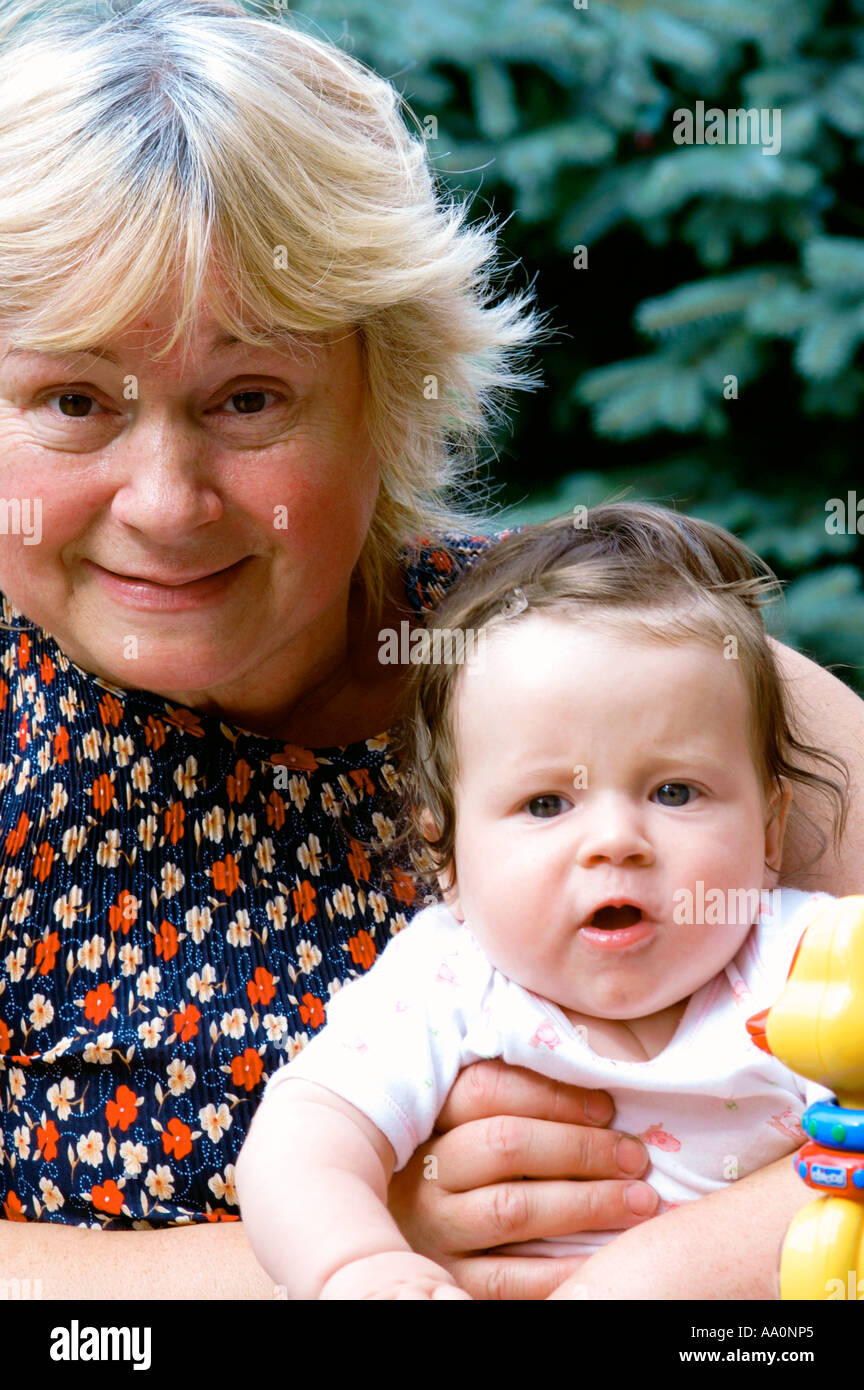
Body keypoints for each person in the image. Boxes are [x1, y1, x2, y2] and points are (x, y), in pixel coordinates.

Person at [1, 0, 863, 1302]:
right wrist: (359, 1242)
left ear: (389, 388)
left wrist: (689, 1255)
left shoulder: (609, 665)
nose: (167, 502)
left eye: (249, 397)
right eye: (73, 400)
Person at [236, 504, 852, 1301]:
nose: (615, 841)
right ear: (445, 859)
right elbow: (299, 1142)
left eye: (674, 791)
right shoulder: (450, 984)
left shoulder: (805, 961)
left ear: (770, 833)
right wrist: (358, 1266)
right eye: (546, 805)